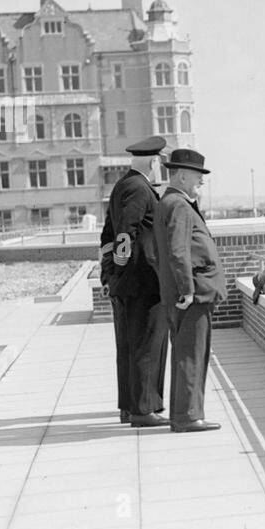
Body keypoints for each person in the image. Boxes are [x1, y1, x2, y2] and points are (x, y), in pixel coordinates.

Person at [153, 148, 227, 432]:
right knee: (192, 355)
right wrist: (186, 290)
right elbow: (178, 251)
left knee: (186, 353)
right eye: (199, 176)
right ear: (182, 176)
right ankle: (188, 416)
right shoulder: (180, 205)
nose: (202, 182)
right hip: (192, 296)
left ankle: (182, 414)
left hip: (185, 294)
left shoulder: (169, 201)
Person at [100, 135, 170, 427]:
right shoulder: (141, 189)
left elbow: (107, 235)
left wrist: (109, 273)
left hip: (126, 283)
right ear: (153, 161)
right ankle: (144, 410)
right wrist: (119, 269)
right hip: (141, 282)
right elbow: (125, 234)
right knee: (146, 345)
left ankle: (130, 407)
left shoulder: (122, 186)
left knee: (128, 346)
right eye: (159, 162)